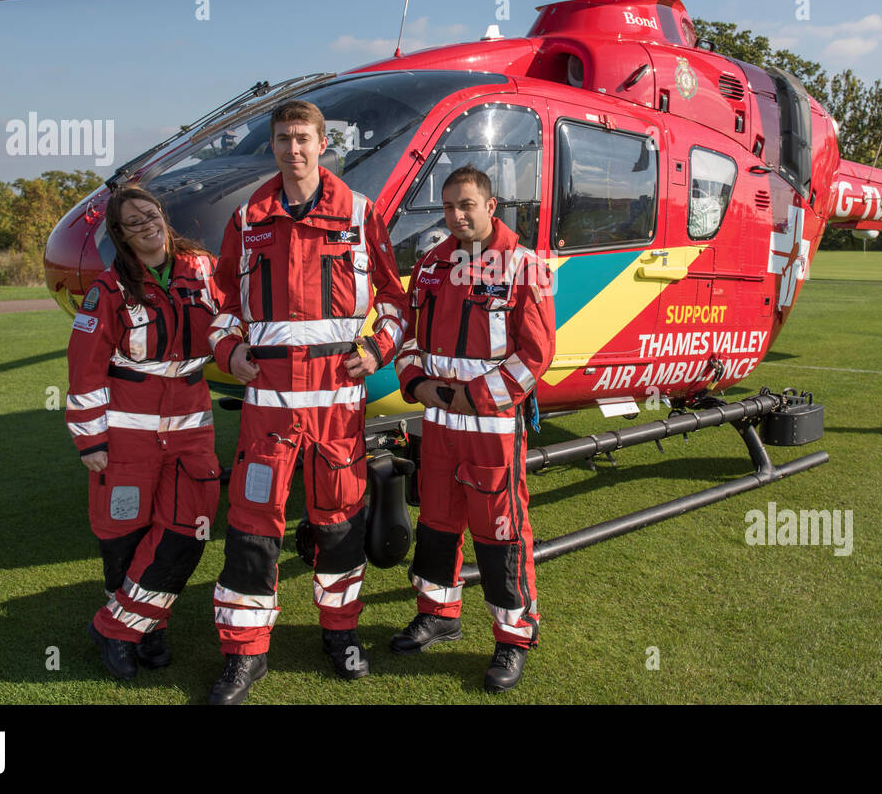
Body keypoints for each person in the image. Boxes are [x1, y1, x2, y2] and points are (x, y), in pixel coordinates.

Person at [205, 99, 408, 705]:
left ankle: (341, 635)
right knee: (251, 528)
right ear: (272, 145)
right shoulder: (247, 218)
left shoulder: (360, 215)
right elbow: (219, 305)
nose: (293, 149)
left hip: (338, 412)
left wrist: (376, 351)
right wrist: (228, 351)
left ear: (325, 144)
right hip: (268, 409)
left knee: (339, 525)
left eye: (303, 138)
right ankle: (245, 656)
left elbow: (398, 305)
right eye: (283, 138)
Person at [392, 165, 556, 693]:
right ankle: (439, 613)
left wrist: (474, 395)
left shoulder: (527, 266)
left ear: (491, 205)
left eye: (467, 204)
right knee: (438, 523)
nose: (457, 215)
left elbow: (536, 356)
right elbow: (409, 342)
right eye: (448, 207)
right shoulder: (430, 268)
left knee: (500, 532)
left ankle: (513, 638)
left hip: (492, 428)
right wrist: (416, 385)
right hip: (437, 424)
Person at [64, 185, 223, 681]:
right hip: (127, 433)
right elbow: (85, 369)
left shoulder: (203, 270)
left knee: (187, 531)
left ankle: (115, 628)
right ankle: (147, 630)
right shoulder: (108, 291)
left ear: (163, 215)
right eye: (132, 222)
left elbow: (237, 316)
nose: (146, 226)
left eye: (149, 214)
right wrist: (91, 440)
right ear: (120, 234)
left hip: (191, 429)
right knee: (124, 536)